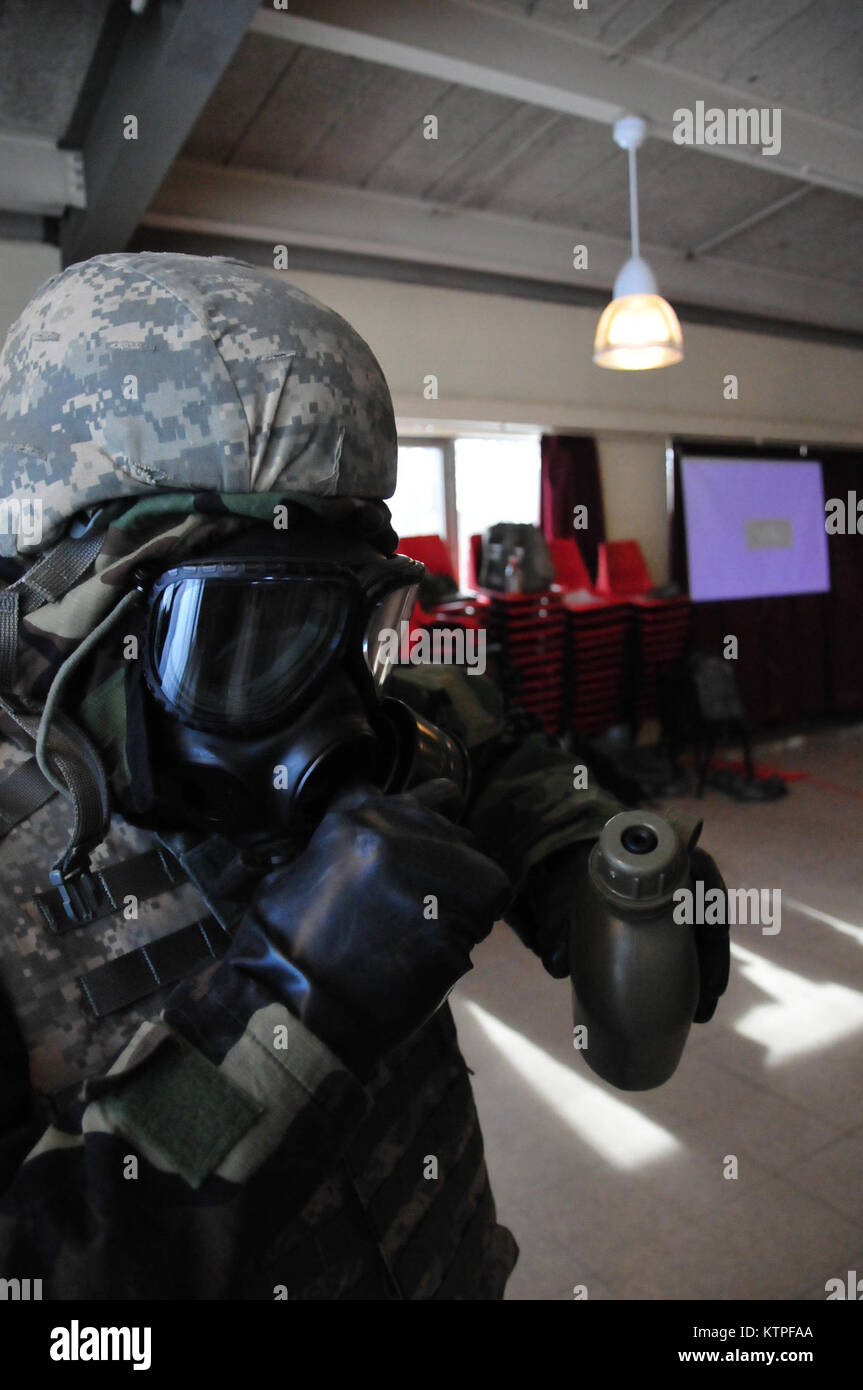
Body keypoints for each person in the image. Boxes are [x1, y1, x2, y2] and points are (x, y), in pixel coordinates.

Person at [0, 253, 729, 1300]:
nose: (331, 710)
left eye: (358, 621)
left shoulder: (357, 703)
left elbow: (495, 753)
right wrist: (298, 996)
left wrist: (585, 853)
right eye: (256, 630)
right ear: (71, 615)